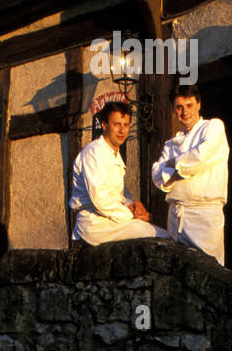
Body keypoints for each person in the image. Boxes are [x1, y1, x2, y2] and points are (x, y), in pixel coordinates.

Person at [68, 100, 169, 245]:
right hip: (95, 223)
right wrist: (132, 215)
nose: (122, 131)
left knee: (159, 233)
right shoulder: (94, 152)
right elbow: (99, 198)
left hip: (111, 220)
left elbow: (118, 196)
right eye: (116, 124)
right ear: (104, 125)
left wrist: (133, 205)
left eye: (126, 125)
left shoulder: (115, 155)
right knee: (158, 236)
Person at [150, 86, 229, 265]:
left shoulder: (213, 127)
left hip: (204, 215)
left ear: (199, 105)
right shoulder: (171, 143)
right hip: (176, 214)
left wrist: (170, 165)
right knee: (176, 270)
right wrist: (179, 170)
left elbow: (200, 157)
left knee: (210, 270)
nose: (185, 112)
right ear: (173, 109)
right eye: (179, 107)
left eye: (189, 105)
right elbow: (156, 176)